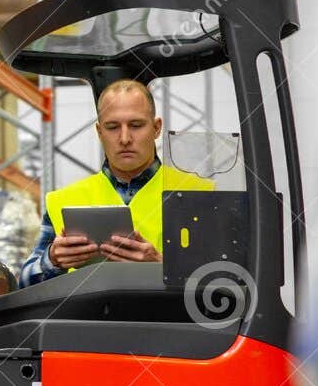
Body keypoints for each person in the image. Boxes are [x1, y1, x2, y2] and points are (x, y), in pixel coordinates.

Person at [18, 78, 213, 285]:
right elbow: (25, 284)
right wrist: (52, 260)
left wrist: (161, 266)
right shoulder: (62, 201)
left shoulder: (202, 194)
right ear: (99, 132)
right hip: (86, 308)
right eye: (112, 127)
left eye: (136, 125)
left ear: (156, 128)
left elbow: (224, 281)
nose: (125, 138)